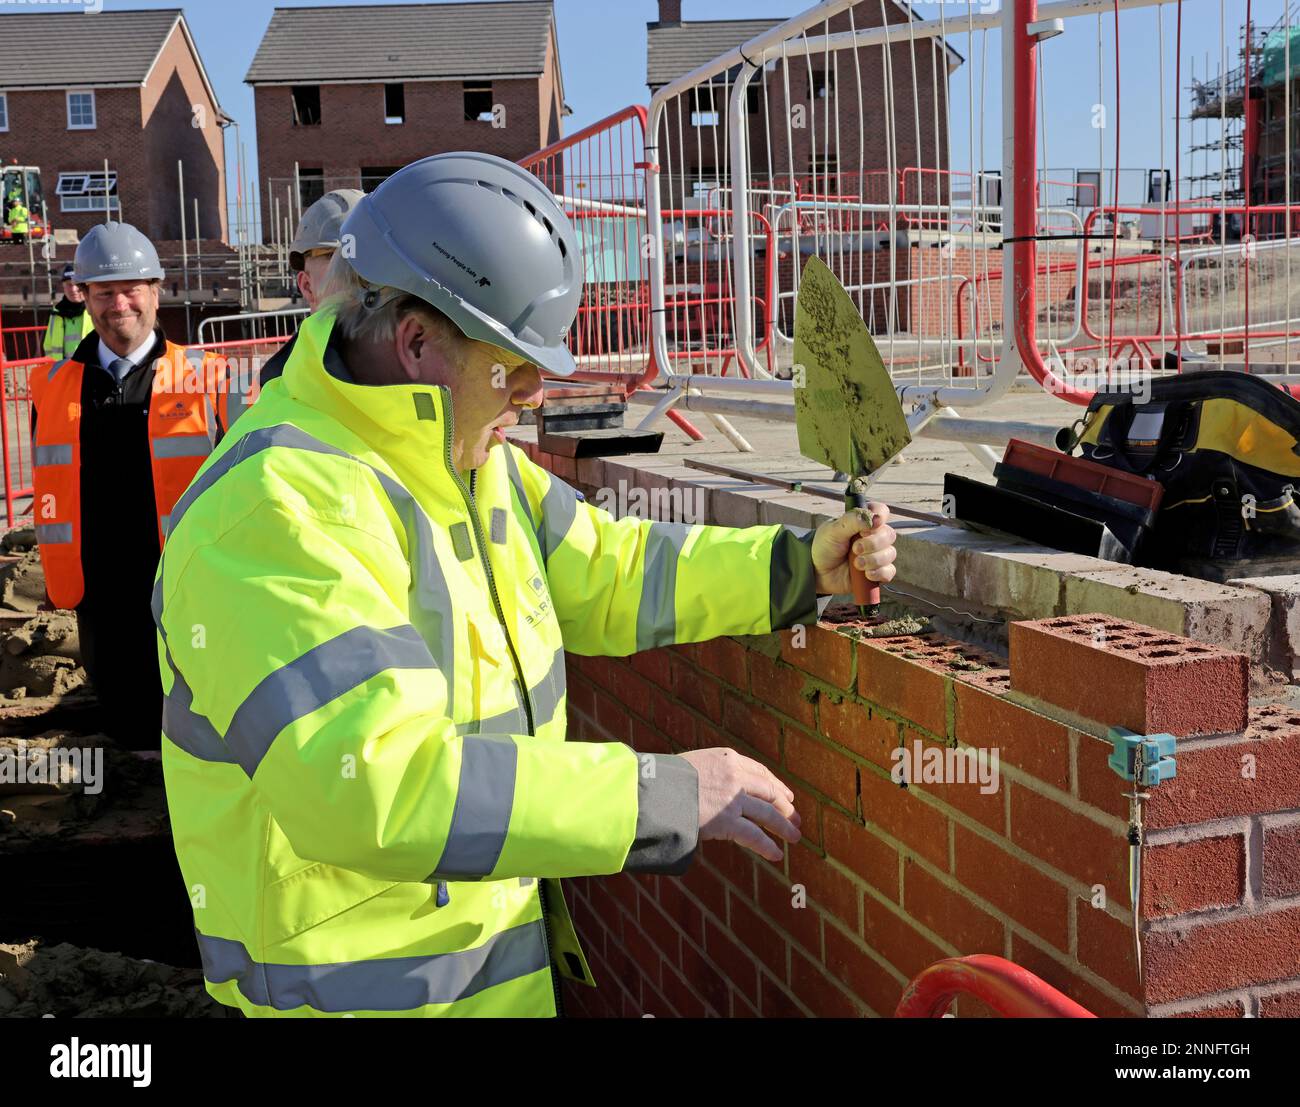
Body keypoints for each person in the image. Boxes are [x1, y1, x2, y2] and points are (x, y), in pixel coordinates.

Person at [154, 152, 897, 1018]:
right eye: (513, 366)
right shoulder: (271, 509)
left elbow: (616, 570)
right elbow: (377, 786)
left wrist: (799, 566)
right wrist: (660, 793)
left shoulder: (469, 462)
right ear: (417, 343)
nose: (536, 395)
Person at [28, 222, 240, 750]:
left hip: (187, 582)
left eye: (130, 289)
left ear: (156, 290)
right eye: (103, 292)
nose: (118, 303)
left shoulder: (210, 378)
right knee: (124, 717)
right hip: (99, 589)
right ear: (84, 296)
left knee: (198, 713)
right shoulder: (52, 386)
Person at [257, 188, 364, 388]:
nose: (360, 271)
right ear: (307, 286)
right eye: (339, 257)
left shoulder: (419, 359)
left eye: (370, 254)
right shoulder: (279, 385)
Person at [42, 264, 94, 358]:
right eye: (69, 285)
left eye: (76, 284)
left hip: (89, 369)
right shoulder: (56, 313)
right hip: (62, 369)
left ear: (84, 285)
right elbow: (48, 346)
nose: (73, 289)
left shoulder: (95, 309)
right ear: (63, 287)